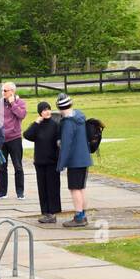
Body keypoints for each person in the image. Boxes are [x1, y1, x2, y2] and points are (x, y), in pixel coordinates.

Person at [55, 92, 92, 228]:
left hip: (75, 160)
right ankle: (83, 214)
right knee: (81, 188)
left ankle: (79, 217)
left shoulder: (68, 123)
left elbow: (66, 145)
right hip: (84, 158)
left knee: (74, 188)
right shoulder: (79, 115)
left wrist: (61, 164)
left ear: (59, 108)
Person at [23, 100, 62, 223]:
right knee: (42, 188)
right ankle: (45, 212)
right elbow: (27, 135)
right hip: (40, 162)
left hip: (52, 162)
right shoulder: (37, 125)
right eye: (44, 110)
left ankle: (52, 213)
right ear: (40, 112)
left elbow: (59, 142)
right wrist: (36, 122)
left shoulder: (55, 125)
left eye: (48, 109)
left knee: (52, 188)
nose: (47, 111)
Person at [0, 80, 27, 201]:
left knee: (18, 166)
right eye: (2, 90)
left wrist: (13, 104)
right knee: (2, 166)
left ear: (12, 92)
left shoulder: (20, 103)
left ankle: (20, 191)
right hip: (1, 139)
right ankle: (2, 191)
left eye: (5, 90)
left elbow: (22, 115)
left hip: (15, 138)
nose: (3, 92)